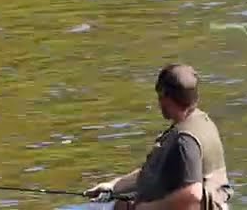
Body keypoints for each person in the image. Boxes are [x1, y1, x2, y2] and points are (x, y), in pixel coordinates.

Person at [84, 65, 232, 210]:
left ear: (165, 96)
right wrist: (113, 187)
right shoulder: (201, 122)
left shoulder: (185, 140)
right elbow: (157, 172)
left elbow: (192, 196)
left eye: (159, 95)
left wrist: (145, 208)